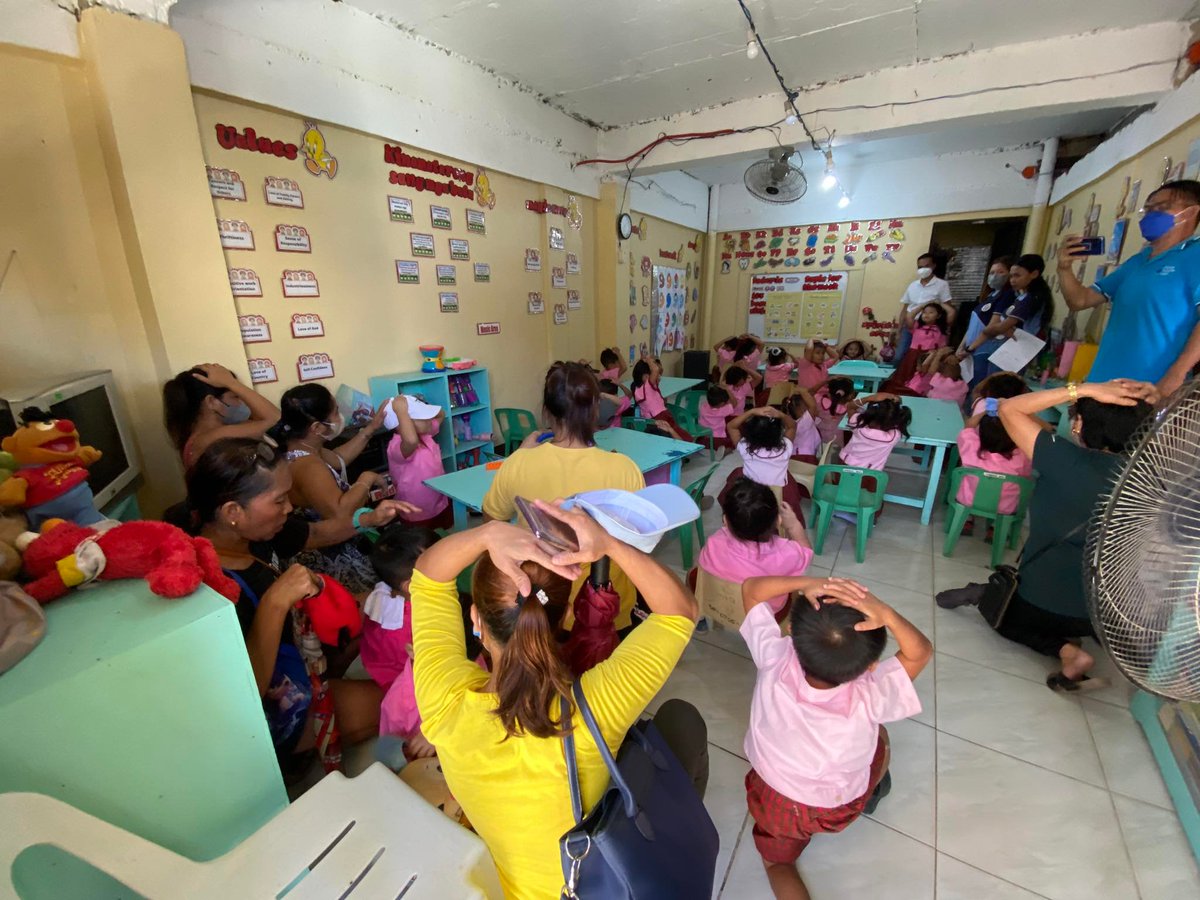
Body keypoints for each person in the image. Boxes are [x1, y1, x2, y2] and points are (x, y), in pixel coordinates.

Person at [410, 502, 708, 899]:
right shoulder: (595, 707)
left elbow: (428, 576)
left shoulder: (442, 699)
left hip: (519, 891)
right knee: (682, 720)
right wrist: (609, 544)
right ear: (566, 615)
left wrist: (486, 533)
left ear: (476, 620)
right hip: (603, 886)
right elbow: (680, 611)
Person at [186, 438, 414, 777]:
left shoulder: (258, 532)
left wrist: (370, 518)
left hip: (296, 657)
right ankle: (294, 758)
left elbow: (319, 533)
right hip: (268, 702)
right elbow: (242, 696)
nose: (289, 507)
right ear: (233, 512)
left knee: (375, 606)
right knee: (403, 705)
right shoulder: (208, 586)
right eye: (279, 500)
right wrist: (275, 603)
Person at [937, 379, 1156, 690]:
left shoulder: (1063, 458)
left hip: (1039, 599)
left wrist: (1083, 389)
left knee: (1006, 617)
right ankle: (1072, 642)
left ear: (1079, 426)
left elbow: (1008, 408)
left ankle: (1064, 650)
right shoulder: (1152, 477)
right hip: (1102, 616)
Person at [740, 574, 929, 900]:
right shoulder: (872, 692)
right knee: (881, 737)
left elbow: (752, 590)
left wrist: (809, 582)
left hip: (775, 797)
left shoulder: (775, 657)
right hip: (837, 806)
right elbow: (920, 652)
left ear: (791, 632)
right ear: (872, 665)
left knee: (778, 865)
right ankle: (874, 788)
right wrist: (887, 613)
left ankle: (781, 862)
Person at [482, 361, 645, 628]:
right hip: (606, 607)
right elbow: (639, 543)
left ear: (547, 411)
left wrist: (521, 456)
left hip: (539, 605)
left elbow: (491, 523)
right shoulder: (624, 468)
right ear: (595, 410)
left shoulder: (517, 463)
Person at [1057, 180, 1200, 394]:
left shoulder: (1195, 255)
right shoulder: (1138, 261)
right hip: (1103, 384)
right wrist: (1064, 268)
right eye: (1148, 209)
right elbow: (1080, 300)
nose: (1150, 215)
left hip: (1150, 388)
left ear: (1190, 213)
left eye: (1161, 208)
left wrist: (1176, 375)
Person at [271, 384, 389, 594]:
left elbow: (337, 458)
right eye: (335, 411)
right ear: (316, 427)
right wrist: (366, 479)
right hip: (329, 553)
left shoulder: (302, 447)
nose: (340, 416)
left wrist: (371, 429)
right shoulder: (308, 466)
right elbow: (341, 513)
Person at [364, 525, 441, 760]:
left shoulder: (387, 592)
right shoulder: (418, 623)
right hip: (401, 681)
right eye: (438, 559)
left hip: (379, 667)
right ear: (411, 585)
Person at [698, 479, 814, 618]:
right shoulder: (785, 554)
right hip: (764, 615)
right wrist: (793, 525)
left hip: (720, 607)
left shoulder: (713, 542)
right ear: (778, 521)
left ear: (725, 521)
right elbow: (807, 553)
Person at [163, 362, 280, 470]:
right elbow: (275, 420)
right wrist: (231, 382)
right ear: (212, 402)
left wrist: (230, 382)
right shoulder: (212, 439)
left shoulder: (203, 436)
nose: (243, 402)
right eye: (236, 397)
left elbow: (262, 419)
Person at [961, 254, 1051, 382]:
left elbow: (999, 327)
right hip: (1003, 350)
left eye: (1017, 276)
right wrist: (999, 329)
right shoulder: (1020, 297)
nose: (1012, 280)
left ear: (1034, 274)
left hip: (1014, 352)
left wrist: (993, 329)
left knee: (996, 387)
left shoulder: (1030, 299)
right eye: (1011, 276)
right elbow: (1000, 327)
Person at [954, 397, 1033, 537]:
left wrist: (986, 412)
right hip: (1005, 508)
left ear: (981, 433)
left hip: (969, 500)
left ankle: (968, 519)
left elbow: (968, 426)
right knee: (1011, 493)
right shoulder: (1022, 456)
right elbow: (1026, 476)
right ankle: (995, 528)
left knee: (970, 488)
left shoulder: (972, 447)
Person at [385, 395, 453, 531]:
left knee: (445, 534)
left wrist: (418, 403)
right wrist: (401, 412)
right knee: (424, 540)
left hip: (440, 501)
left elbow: (441, 414)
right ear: (403, 423)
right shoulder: (396, 446)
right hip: (417, 511)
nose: (429, 419)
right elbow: (411, 440)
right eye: (422, 417)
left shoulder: (426, 434)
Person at [728, 406, 806, 522]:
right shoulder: (786, 447)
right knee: (788, 478)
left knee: (736, 474)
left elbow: (731, 426)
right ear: (778, 431)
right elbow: (792, 426)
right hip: (778, 495)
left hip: (751, 495)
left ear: (751, 431)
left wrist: (751, 411)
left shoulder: (745, 447)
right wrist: (780, 414)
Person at [956, 256, 1016, 388]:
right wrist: (961, 346)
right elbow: (973, 326)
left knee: (979, 388)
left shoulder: (1007, 295)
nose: (995, 276)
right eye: (992, 272)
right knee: (969, 387)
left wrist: (970, 349)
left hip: (983, 349)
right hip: (971, 349)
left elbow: (992, 327)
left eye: (1000, 272)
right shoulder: (990, 296)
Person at [895, 253, 953, 359]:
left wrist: (946, 330)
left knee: (925, 357)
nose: (923, 270)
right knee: (900, 356)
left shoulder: (942, 285)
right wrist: (899, 331)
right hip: (910, 325)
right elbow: (905, 309)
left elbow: (948, 309)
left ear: (933, 266)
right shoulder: (912, 285)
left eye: (926, 266)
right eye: (920, 267)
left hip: (930, 328)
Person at [841, 394, 911, 471]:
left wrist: (868, 398)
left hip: (843, 465)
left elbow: (850, 406)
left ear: (868, 414)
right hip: (871, 473)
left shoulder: (858, 424)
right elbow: (899, 421)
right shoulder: (893, 436)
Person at [632, 356, 693, 442]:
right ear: (646, 377)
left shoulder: (638, 389)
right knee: (681, 438)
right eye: (656, 375)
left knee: (676, 436)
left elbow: (658, 369)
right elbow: (656, 369)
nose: (659, 377)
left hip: (653, 420)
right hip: (661, 419)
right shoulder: (647, 386)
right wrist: (648, 360)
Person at [813, 377, 856, 447]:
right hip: (836, 442)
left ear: (828, 393)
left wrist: (825, 381)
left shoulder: (818, 400)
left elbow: (810, 392)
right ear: (850, 396)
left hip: (817, 441)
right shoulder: (847, 408)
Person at [699, 383, 737, 451]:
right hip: (718, 438)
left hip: (704, 436)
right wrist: (728, 390)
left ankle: (709, 448)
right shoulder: (722, 411)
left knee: (705, 443)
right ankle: (723, 451)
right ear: (722, 403)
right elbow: (735, 403)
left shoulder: (703, 406)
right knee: (733, 442)